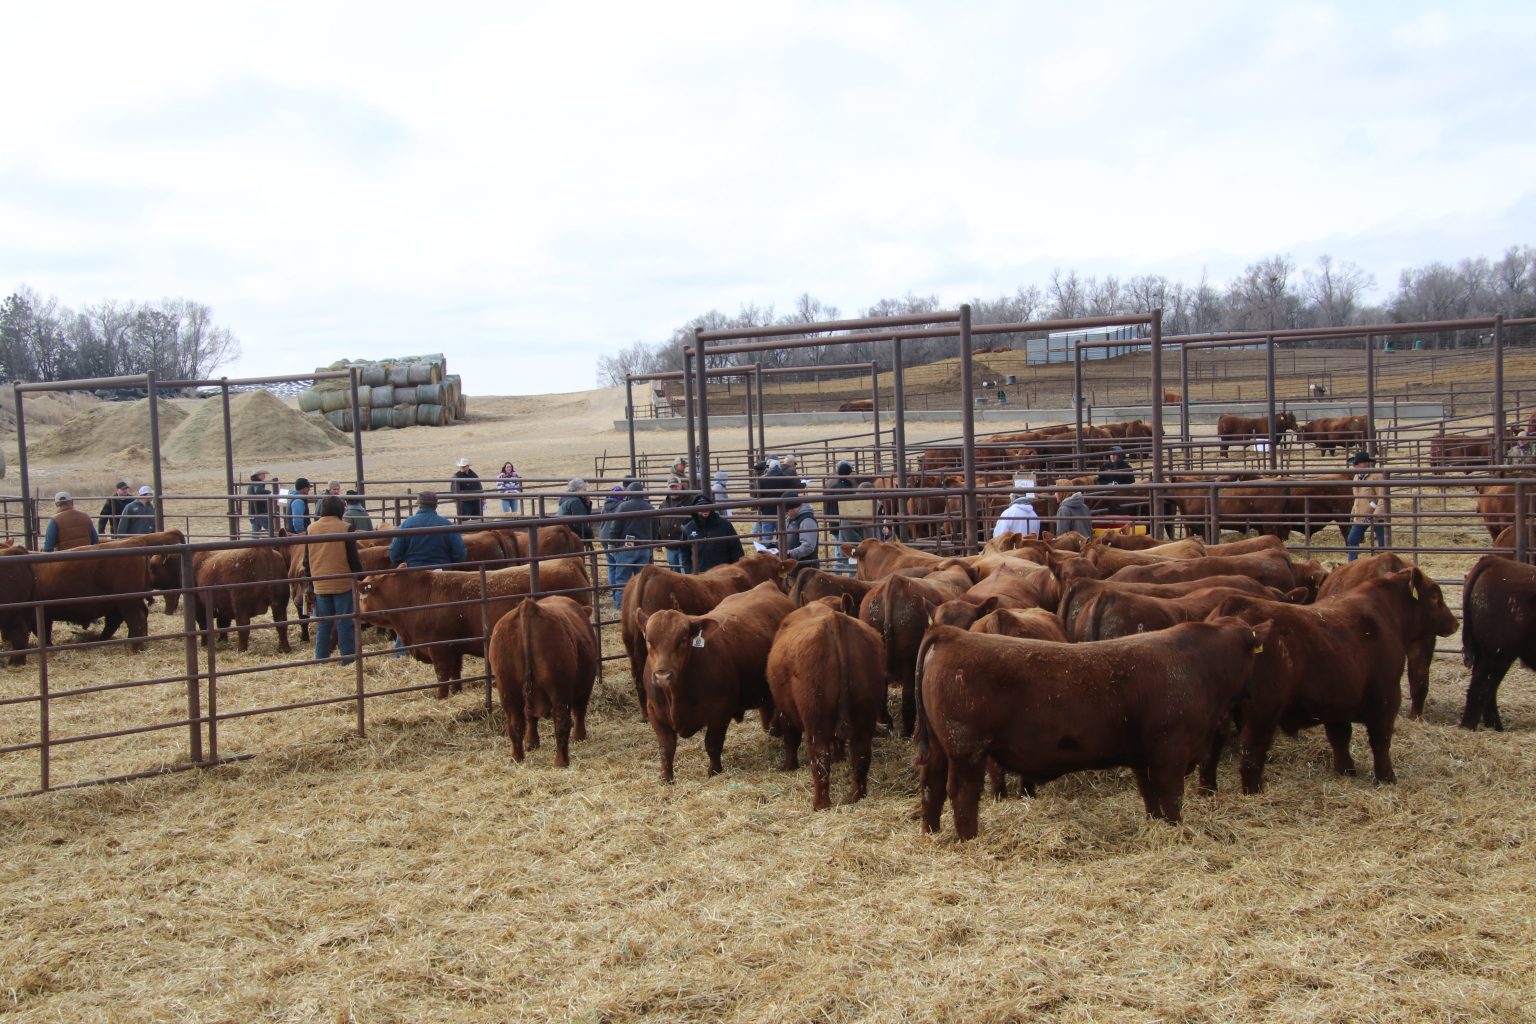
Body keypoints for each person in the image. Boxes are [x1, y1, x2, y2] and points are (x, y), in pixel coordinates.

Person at [304, 495, 364, 666]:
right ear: (340, 509)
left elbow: (306, 559)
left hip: (320, 583)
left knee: (324, 624)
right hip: (342, 582)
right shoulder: (345, 528)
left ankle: (320, 659)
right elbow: (353, 558)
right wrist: (361, 577)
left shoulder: (311, 528)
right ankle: (348, 660)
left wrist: (310, 582)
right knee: (345, 622)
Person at [609, 480, 656, 608]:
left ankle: (621, 607)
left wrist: (612, 543)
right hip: (644, 546)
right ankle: (641, 606)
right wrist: (655, 542)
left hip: (627, 547)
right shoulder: (649, 507)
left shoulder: (623, 506)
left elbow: (615, 527)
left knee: (622, 578)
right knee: (642, 580)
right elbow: (656, 527)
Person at [389, 492, 467, 568]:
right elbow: (460, 555)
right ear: (435, 505)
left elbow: (395, 555)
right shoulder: (448, 525)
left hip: (413, 572)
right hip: (442, 573)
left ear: (419, 505)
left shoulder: (405, 524)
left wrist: (407, 563)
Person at [679, 492, 744, 574]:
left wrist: (734, 570)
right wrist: (689, 571)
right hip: (700, 575)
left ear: (712, 507)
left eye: (707, 506)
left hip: (723, 574)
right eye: (700, 507)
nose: (704, 510)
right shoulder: (688, 528)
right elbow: (684, 552)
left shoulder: (725, 525)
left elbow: (736, 549)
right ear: (695, 510)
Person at [1346, 450, 1387, 561]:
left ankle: (1385, 563)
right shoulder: (1356, 477)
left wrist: (1376, 514)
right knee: (1352, 539)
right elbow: (1357, 498)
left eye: (1356, 463)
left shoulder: (1376, 476)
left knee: (1382, 542)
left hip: (1375, 516)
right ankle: (1352, 565)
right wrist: (1354, 512)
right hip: (1361, 515)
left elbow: (1382, 497)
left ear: (1364, 464)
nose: (1354, 466)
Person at [826, 460, 865, 568]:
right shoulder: (845, 488)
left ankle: (842, 572)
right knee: (843, 551)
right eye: (850, 472)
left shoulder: (832, 485)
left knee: (840, 550)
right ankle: (844, 573)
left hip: (835, 522)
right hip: (842, 523)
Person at [779, 492, 820, 574]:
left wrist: (791, 553)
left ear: (793, 508)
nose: (786, 514)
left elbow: (808, 546)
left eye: (787, 511)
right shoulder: (791, 519)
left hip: (805, 569)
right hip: (794, 567)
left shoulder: (807, 520)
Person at [557, 478, 594, 542]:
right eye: (584, 490)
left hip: (563, 531)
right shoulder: (575, 501)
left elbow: (583, 516)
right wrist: (590, 533)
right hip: (569, 534)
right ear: (578, 489)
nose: (587, 492)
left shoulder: (567, 498)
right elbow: (581, 525)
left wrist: (587, 503)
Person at [246, 471, 273, 536]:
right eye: (263, 475)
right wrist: (270, 492)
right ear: (258, 476)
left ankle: (254, 544)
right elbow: (258, 491)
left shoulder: (252, 484)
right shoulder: (257, 484)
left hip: (253, 512)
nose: (264, 477)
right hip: (260, 512)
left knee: (255, 532)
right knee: (271, 530)